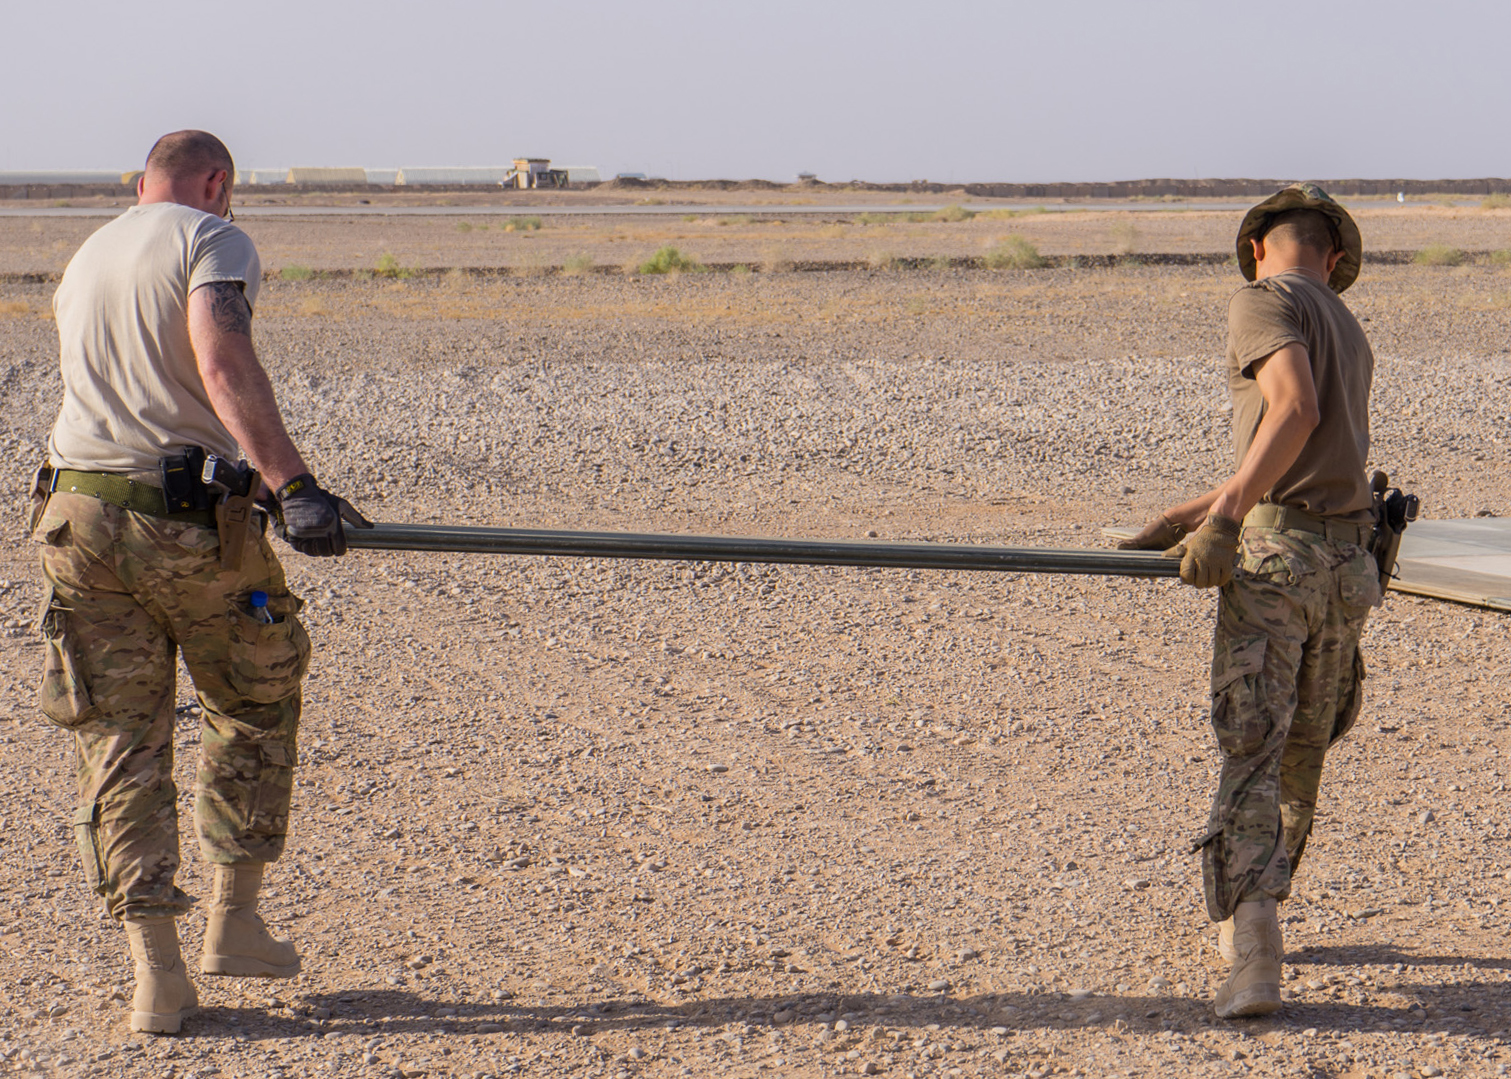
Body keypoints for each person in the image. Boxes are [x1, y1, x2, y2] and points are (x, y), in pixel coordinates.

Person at [31, 130, 371, 1034]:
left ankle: (158, 979)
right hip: (181, 525)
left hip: (74, 515)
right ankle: (235, 920)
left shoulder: (88, 251)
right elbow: (218, 364)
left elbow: (145, 394)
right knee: (254, 695)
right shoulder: (212, 239)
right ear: (217, 182)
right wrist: (295, 488)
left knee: (118, 741)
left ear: (137, 182)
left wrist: (252, 475)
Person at [1119, 183, 1379, 1019]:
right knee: (1304, 748)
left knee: (1252, 751)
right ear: (1332, 256)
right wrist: (1183, 515)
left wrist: (1226, 521)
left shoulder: (1261, 300)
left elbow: (1293, 413)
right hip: (1345, 566)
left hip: (1277, 564)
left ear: (1259, 245)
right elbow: (1311, 462)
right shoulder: (1346, 322)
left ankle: (1254, 955)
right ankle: (1255, 921)